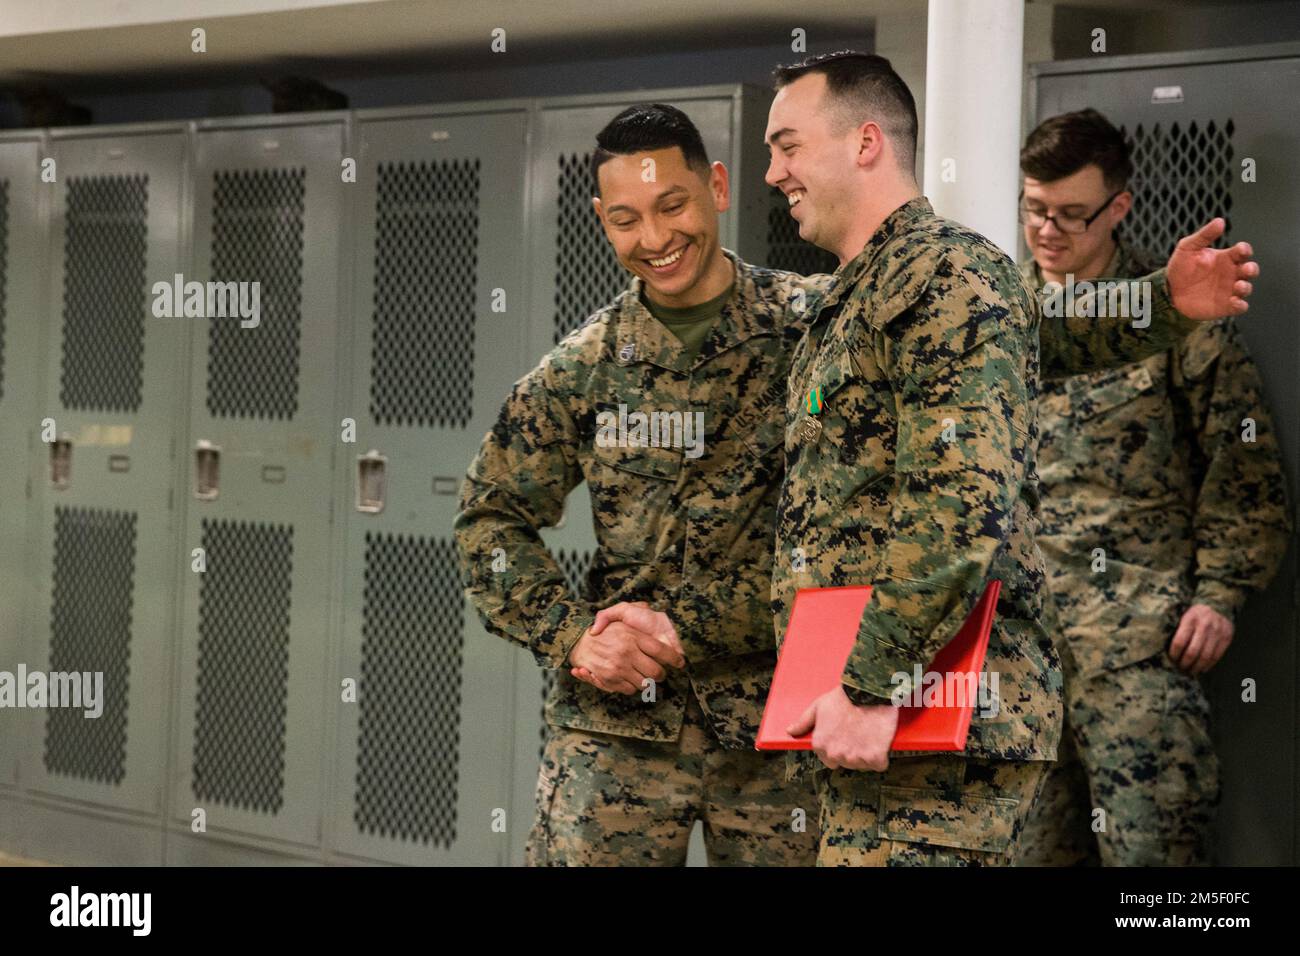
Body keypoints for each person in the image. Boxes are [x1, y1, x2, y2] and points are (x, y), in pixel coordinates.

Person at [761, 51, 1260, 865]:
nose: (775, 171)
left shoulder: (944, 275)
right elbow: (1048, 323)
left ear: (863, 142)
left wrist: (869, 685)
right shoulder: (863, 290)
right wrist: (1158, 303)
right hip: (890, 704)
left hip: (936, 697)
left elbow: (957, 504)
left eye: (788, 145)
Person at [454, 103, 825, 865]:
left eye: (672, 205)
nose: (654, 239)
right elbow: (487, 523)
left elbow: (974, 333)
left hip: (780, 719)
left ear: (717, 187)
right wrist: (573, 637)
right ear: (600, 218)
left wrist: (1143, 307)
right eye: (625, 219)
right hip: (617, 728)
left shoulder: (812, 327)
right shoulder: (582, 369)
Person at [1012, 108, 1291, 866]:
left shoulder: (1174, 314)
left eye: (1073, 214)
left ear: (1119, 206)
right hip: (1014, 656)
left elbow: (1244, 463)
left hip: (1135, 647)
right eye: (1035, 209)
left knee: (1154, 873)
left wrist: (1221, 592)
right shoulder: (996, 321)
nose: (1048, 230)